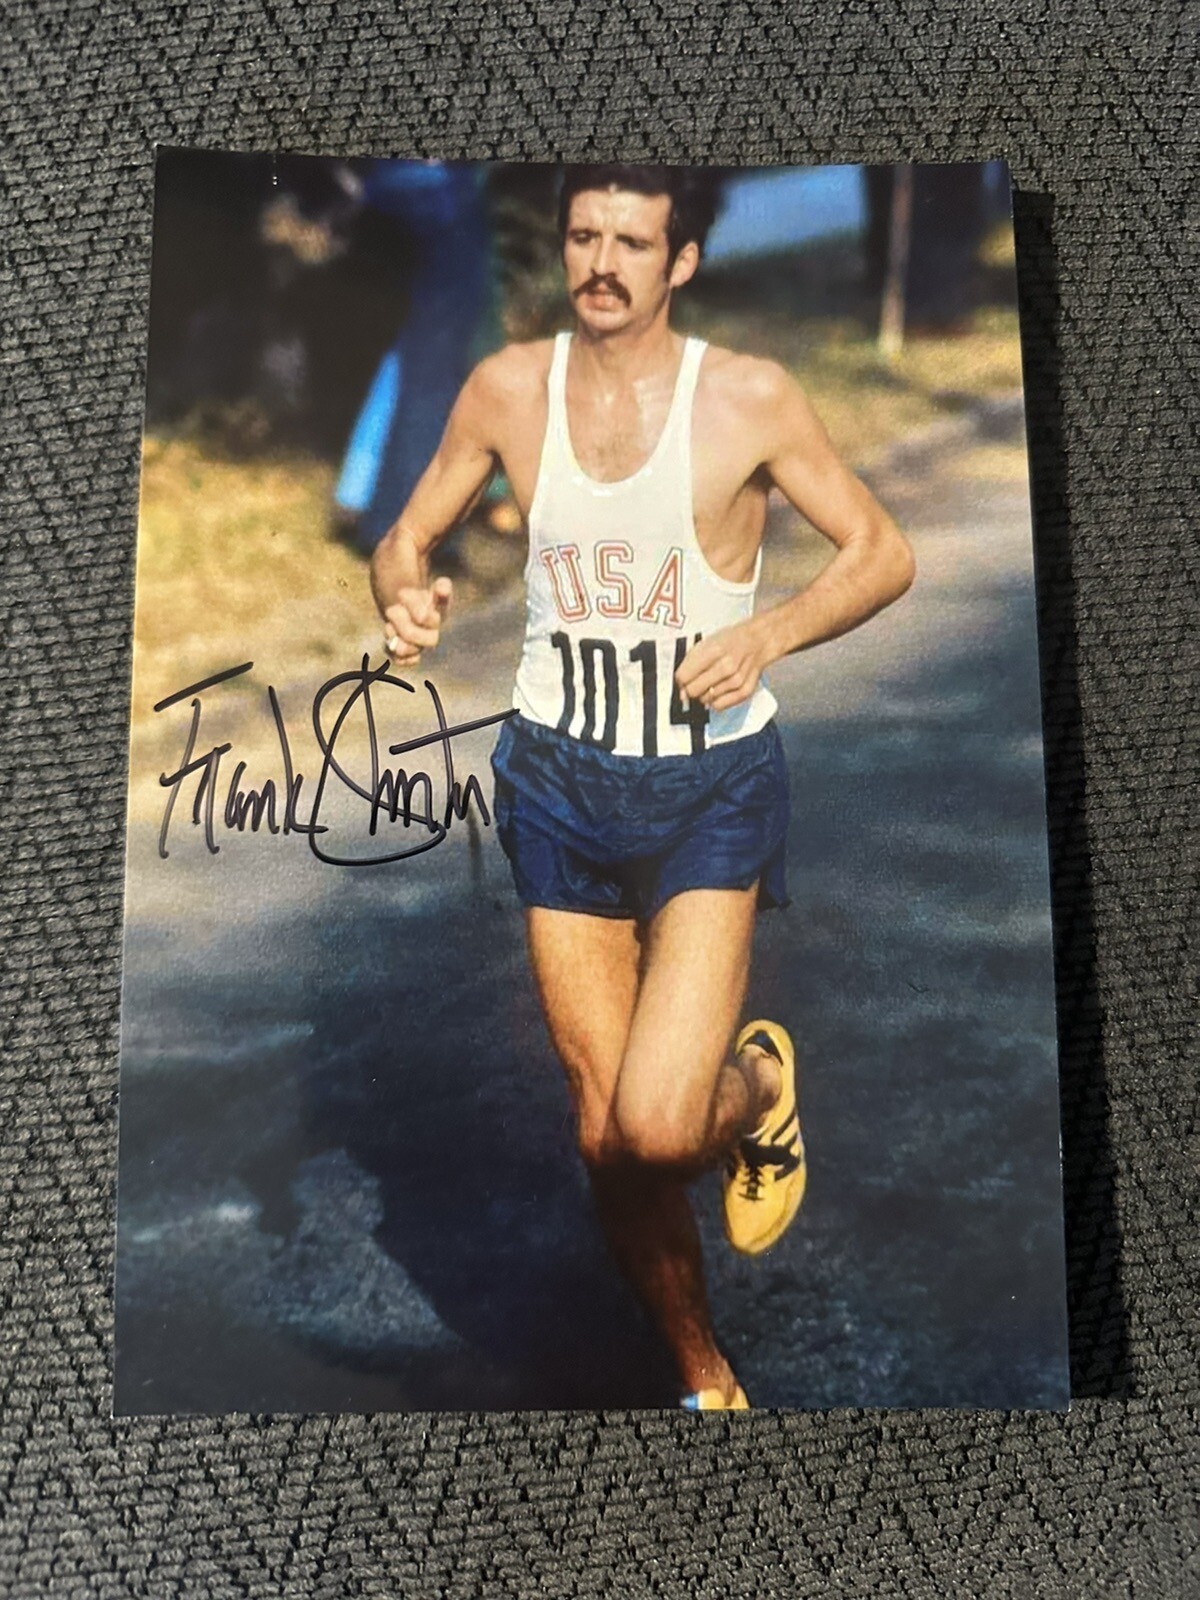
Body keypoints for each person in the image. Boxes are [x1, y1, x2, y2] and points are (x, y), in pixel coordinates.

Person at [370, 164, 915, 1409]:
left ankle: (759, 1088)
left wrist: (769, 633)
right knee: (601, 1132)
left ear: (683, 262)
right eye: (584, 236)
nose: (603, 263)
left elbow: (883, 551)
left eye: (633, 241)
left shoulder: (747, 398)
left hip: (708, 787)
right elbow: (405, 537)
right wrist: (402, 592)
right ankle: (704, 1381)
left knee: (662, 1128)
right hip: (556, 781)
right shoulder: (510, 388)